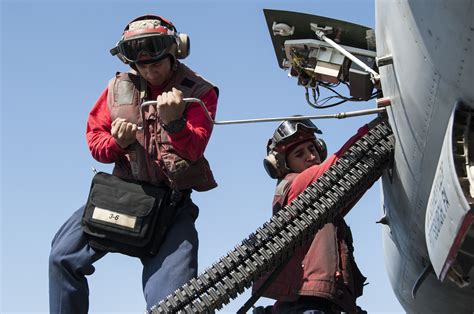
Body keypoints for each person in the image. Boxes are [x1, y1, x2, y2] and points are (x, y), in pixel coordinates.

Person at [49, 14, 219, 313]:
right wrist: (117, 143)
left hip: (171, 207)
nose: (150, 70)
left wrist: (176, 123)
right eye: (142, 65)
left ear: (175, 52)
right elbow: (95, 144)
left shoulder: (200, 92)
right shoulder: (116, 89)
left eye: (157, 62)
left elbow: (194, 149)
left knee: (175, 301)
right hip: (123, 195)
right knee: (62, 257)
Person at [255, 119, 371, 313]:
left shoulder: (324, 204)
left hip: (325, 303)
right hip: (306, 303)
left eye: (312, 149)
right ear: (285, 165)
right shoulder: (293, 186)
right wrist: (371, 129)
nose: (310, 156)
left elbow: (359, 181)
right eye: (299, 154)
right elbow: (339, 168)